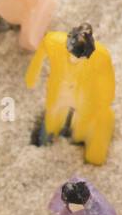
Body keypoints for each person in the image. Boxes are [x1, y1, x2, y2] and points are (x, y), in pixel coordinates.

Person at [26, 23, 115, 165]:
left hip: (83, 95)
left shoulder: (101, 56)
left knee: (81, 123)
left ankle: (75, 140)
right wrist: (31, 76)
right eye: (73, 55)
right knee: (53, 117)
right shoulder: (53, 41)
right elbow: (40, 55)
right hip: (58, 91)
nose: (76, 59)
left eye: (82, 57)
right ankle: (45, 141)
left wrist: (105, 101)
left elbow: (107, 80)